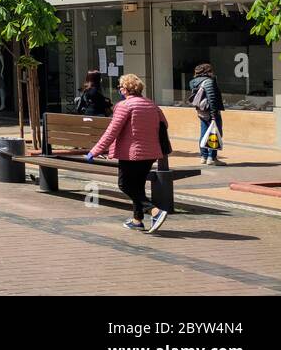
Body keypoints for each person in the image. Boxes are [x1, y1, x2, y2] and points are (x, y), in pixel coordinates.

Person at [87, 73, 171, 233]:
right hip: (151, 152)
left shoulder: (124, 106)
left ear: (125, 89)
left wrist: (95, 151)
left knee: (124, 184)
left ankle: (154, 211)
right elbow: (164, 124)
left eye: (120, 87)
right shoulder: (152, 104)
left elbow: (112, 131)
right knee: (138, 186)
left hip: (131, 154)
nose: (119, 89)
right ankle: (137, 220)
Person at [188, 62, 225, 166]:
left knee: (204, 133)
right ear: (207, 71)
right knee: (214, 133)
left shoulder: (194, 82)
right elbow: (212, 98)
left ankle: (203, 156)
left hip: (201, 111)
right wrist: (214, 114)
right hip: (210, 111)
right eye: (211, 70)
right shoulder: (208, 81)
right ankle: (211, 158)